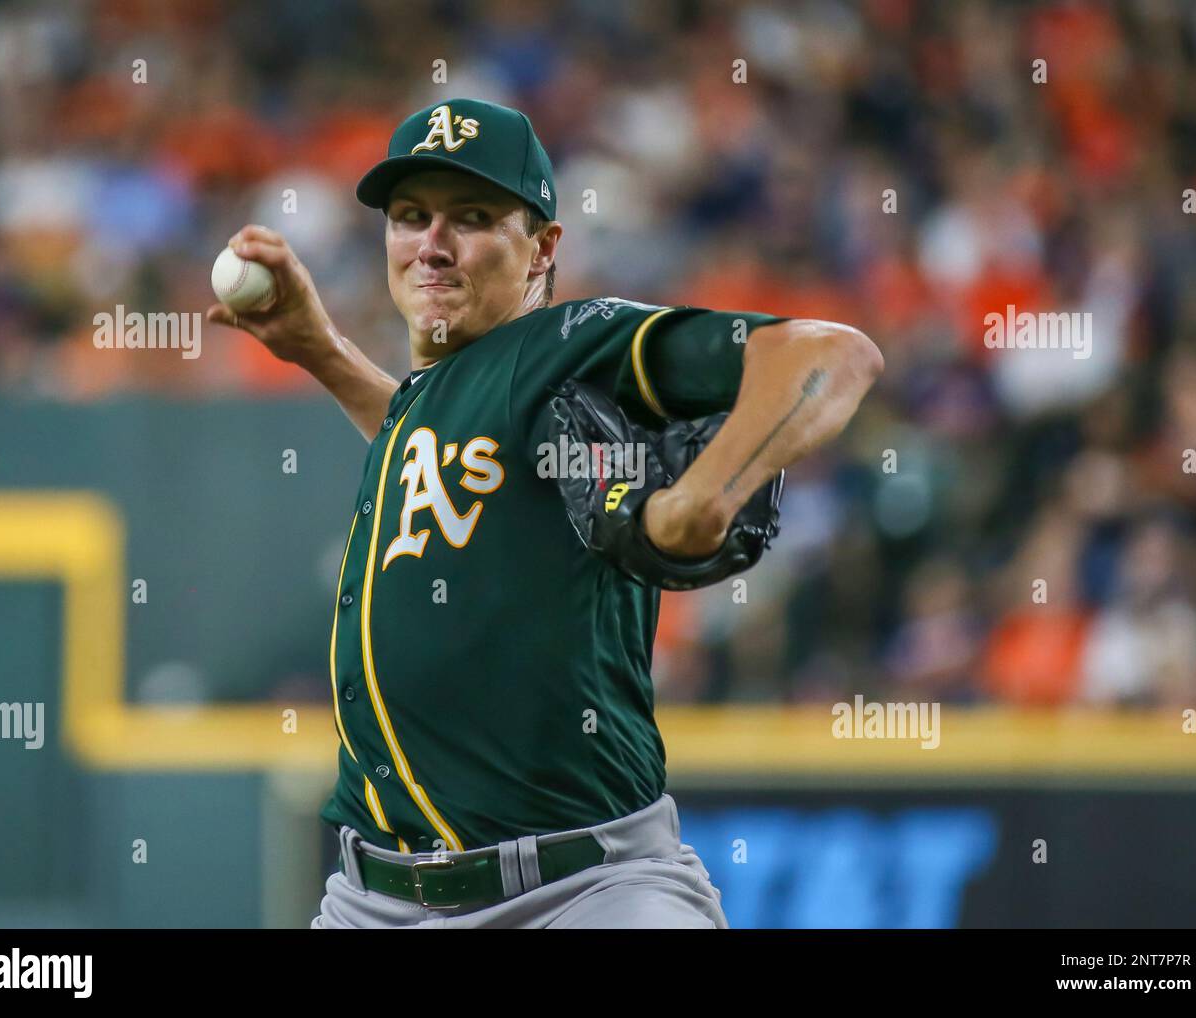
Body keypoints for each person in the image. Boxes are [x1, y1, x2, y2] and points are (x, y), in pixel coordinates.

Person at [207, 98, 883, 928]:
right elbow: (435, 451)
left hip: (579, 893)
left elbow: (828, 353)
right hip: (372, 903)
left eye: (474, 217)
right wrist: (320, 350)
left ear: (543, 248)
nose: (433, 243)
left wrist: (699, 501)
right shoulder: (440, 401)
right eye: (410, 216)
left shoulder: (566, 345)